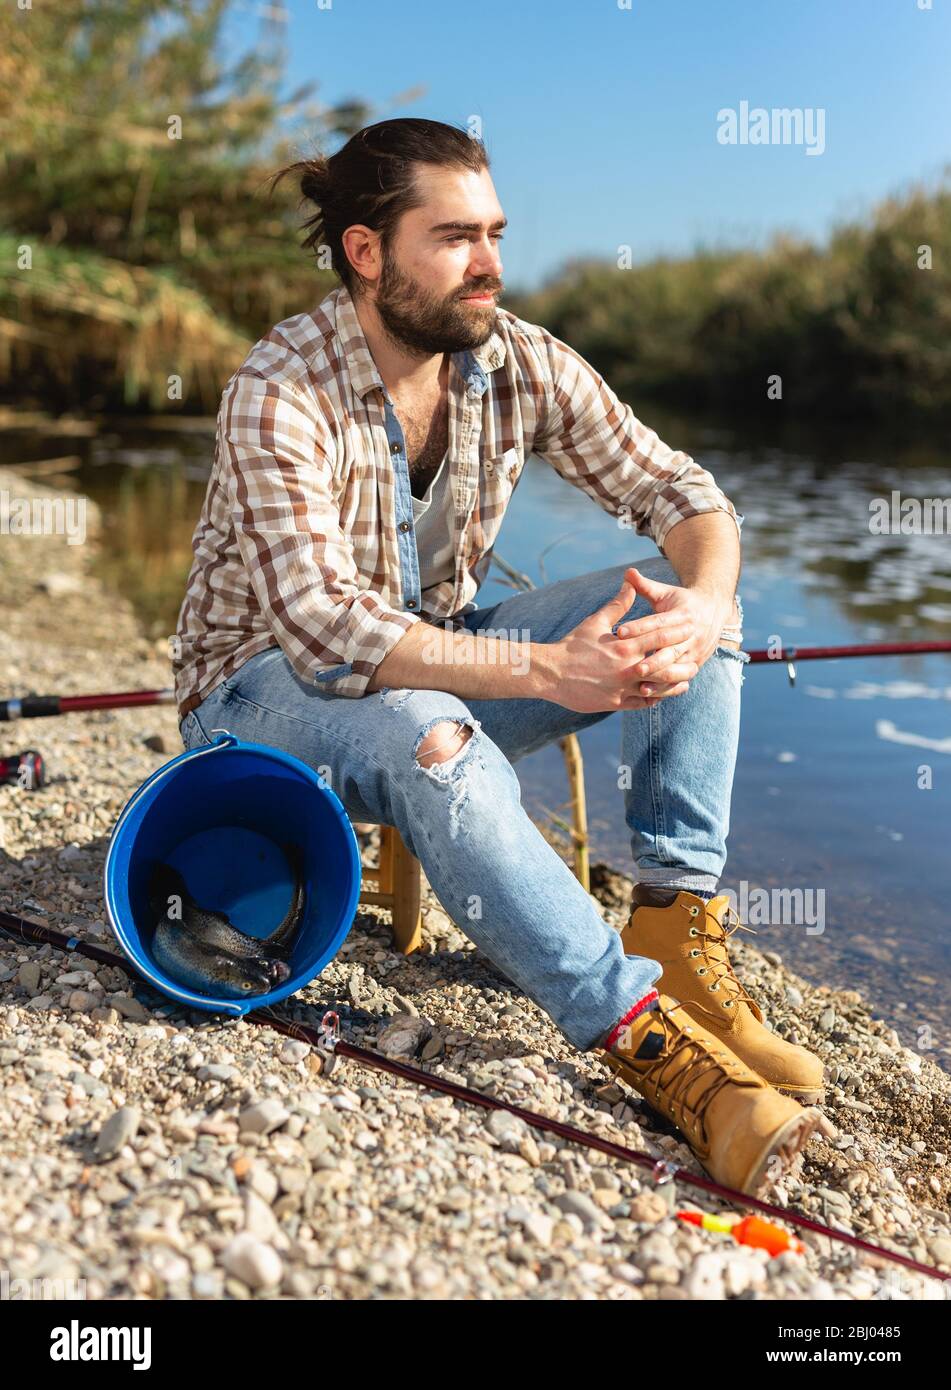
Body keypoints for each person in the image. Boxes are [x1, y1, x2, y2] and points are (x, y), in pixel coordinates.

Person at [173, 118, 824, 1195]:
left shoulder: (513, 358)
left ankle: (675, 921)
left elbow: (685, 494)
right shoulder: (278, 387)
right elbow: (329, 632)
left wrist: (704, 602)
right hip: (257, 693)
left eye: (496, 233)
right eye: (455, 237)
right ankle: (654, 1048)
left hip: (444, 652)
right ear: (365, 252)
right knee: (438, 743)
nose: (489, 265)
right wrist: (543, 672)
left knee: (666, 606)